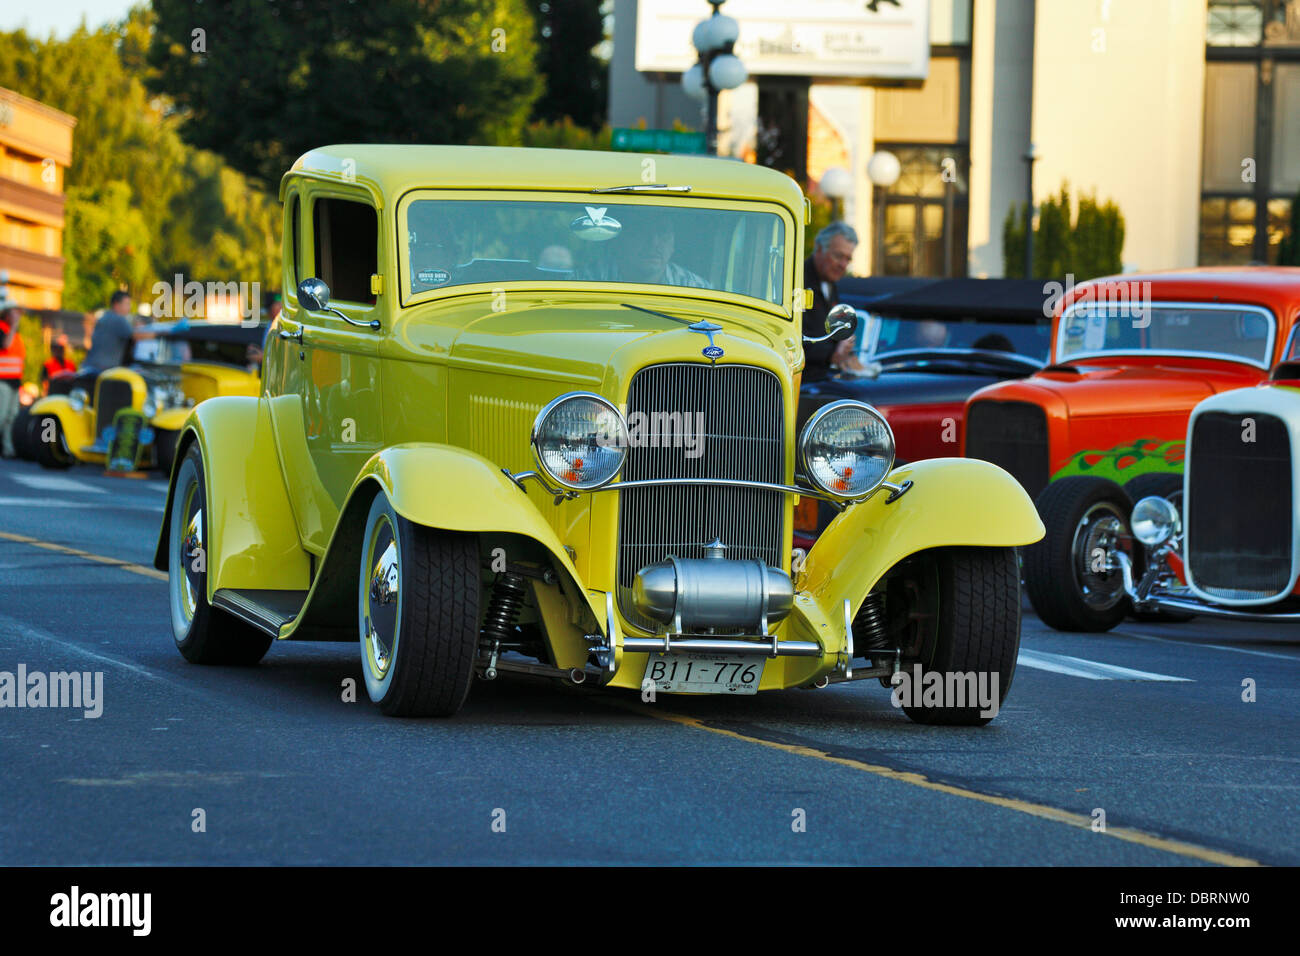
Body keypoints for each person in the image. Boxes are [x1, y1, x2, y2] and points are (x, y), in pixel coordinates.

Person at [579, 210, 709, 288]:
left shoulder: (695, 286)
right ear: (621, 240)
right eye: (641, 232)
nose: (653, 243)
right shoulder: (585, 280)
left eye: (663, 232)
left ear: (673, 244)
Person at [802, 222, 862, 382]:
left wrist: (847, 351)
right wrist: (833, 354)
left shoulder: (830, 282)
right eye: (838, 256)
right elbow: (795, 340)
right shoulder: (797, 281)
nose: (843, 265)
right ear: (819, 248)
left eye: (848, 259)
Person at [81, 291, 154, 375]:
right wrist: (158, 335)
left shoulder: (105, 316)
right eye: (127, 304)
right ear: (116, 304)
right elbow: (136, 336)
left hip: (89, 368)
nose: (129, 308)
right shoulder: (118, 319)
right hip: (102, 370)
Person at [0, 300, 25, 458]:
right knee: (1, 416)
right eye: (15, 312)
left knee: (12, 418)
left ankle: (8, 450)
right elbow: (5, 346)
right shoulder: (3, 329)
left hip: (14, 382)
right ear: (7, 314)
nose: (18, 316)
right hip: (2, 381)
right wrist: (14, 326)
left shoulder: (14, 333)